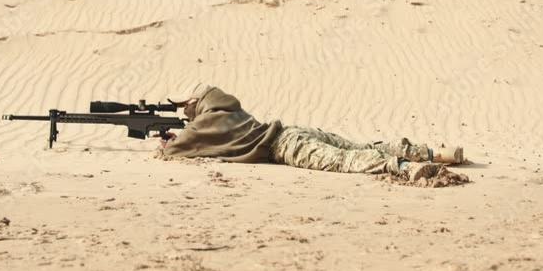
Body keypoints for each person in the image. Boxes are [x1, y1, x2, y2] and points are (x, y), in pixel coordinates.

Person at [159, 83, 465, 182]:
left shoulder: (205, 123)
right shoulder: (230, 112)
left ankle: (404, 167)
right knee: (358, 145)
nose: (185, 110)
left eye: (187, 105)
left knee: (346, 160)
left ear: (198, 103)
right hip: (294, 130)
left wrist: (164, 144)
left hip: (286, 147)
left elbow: (173, 150)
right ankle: (431, 152)